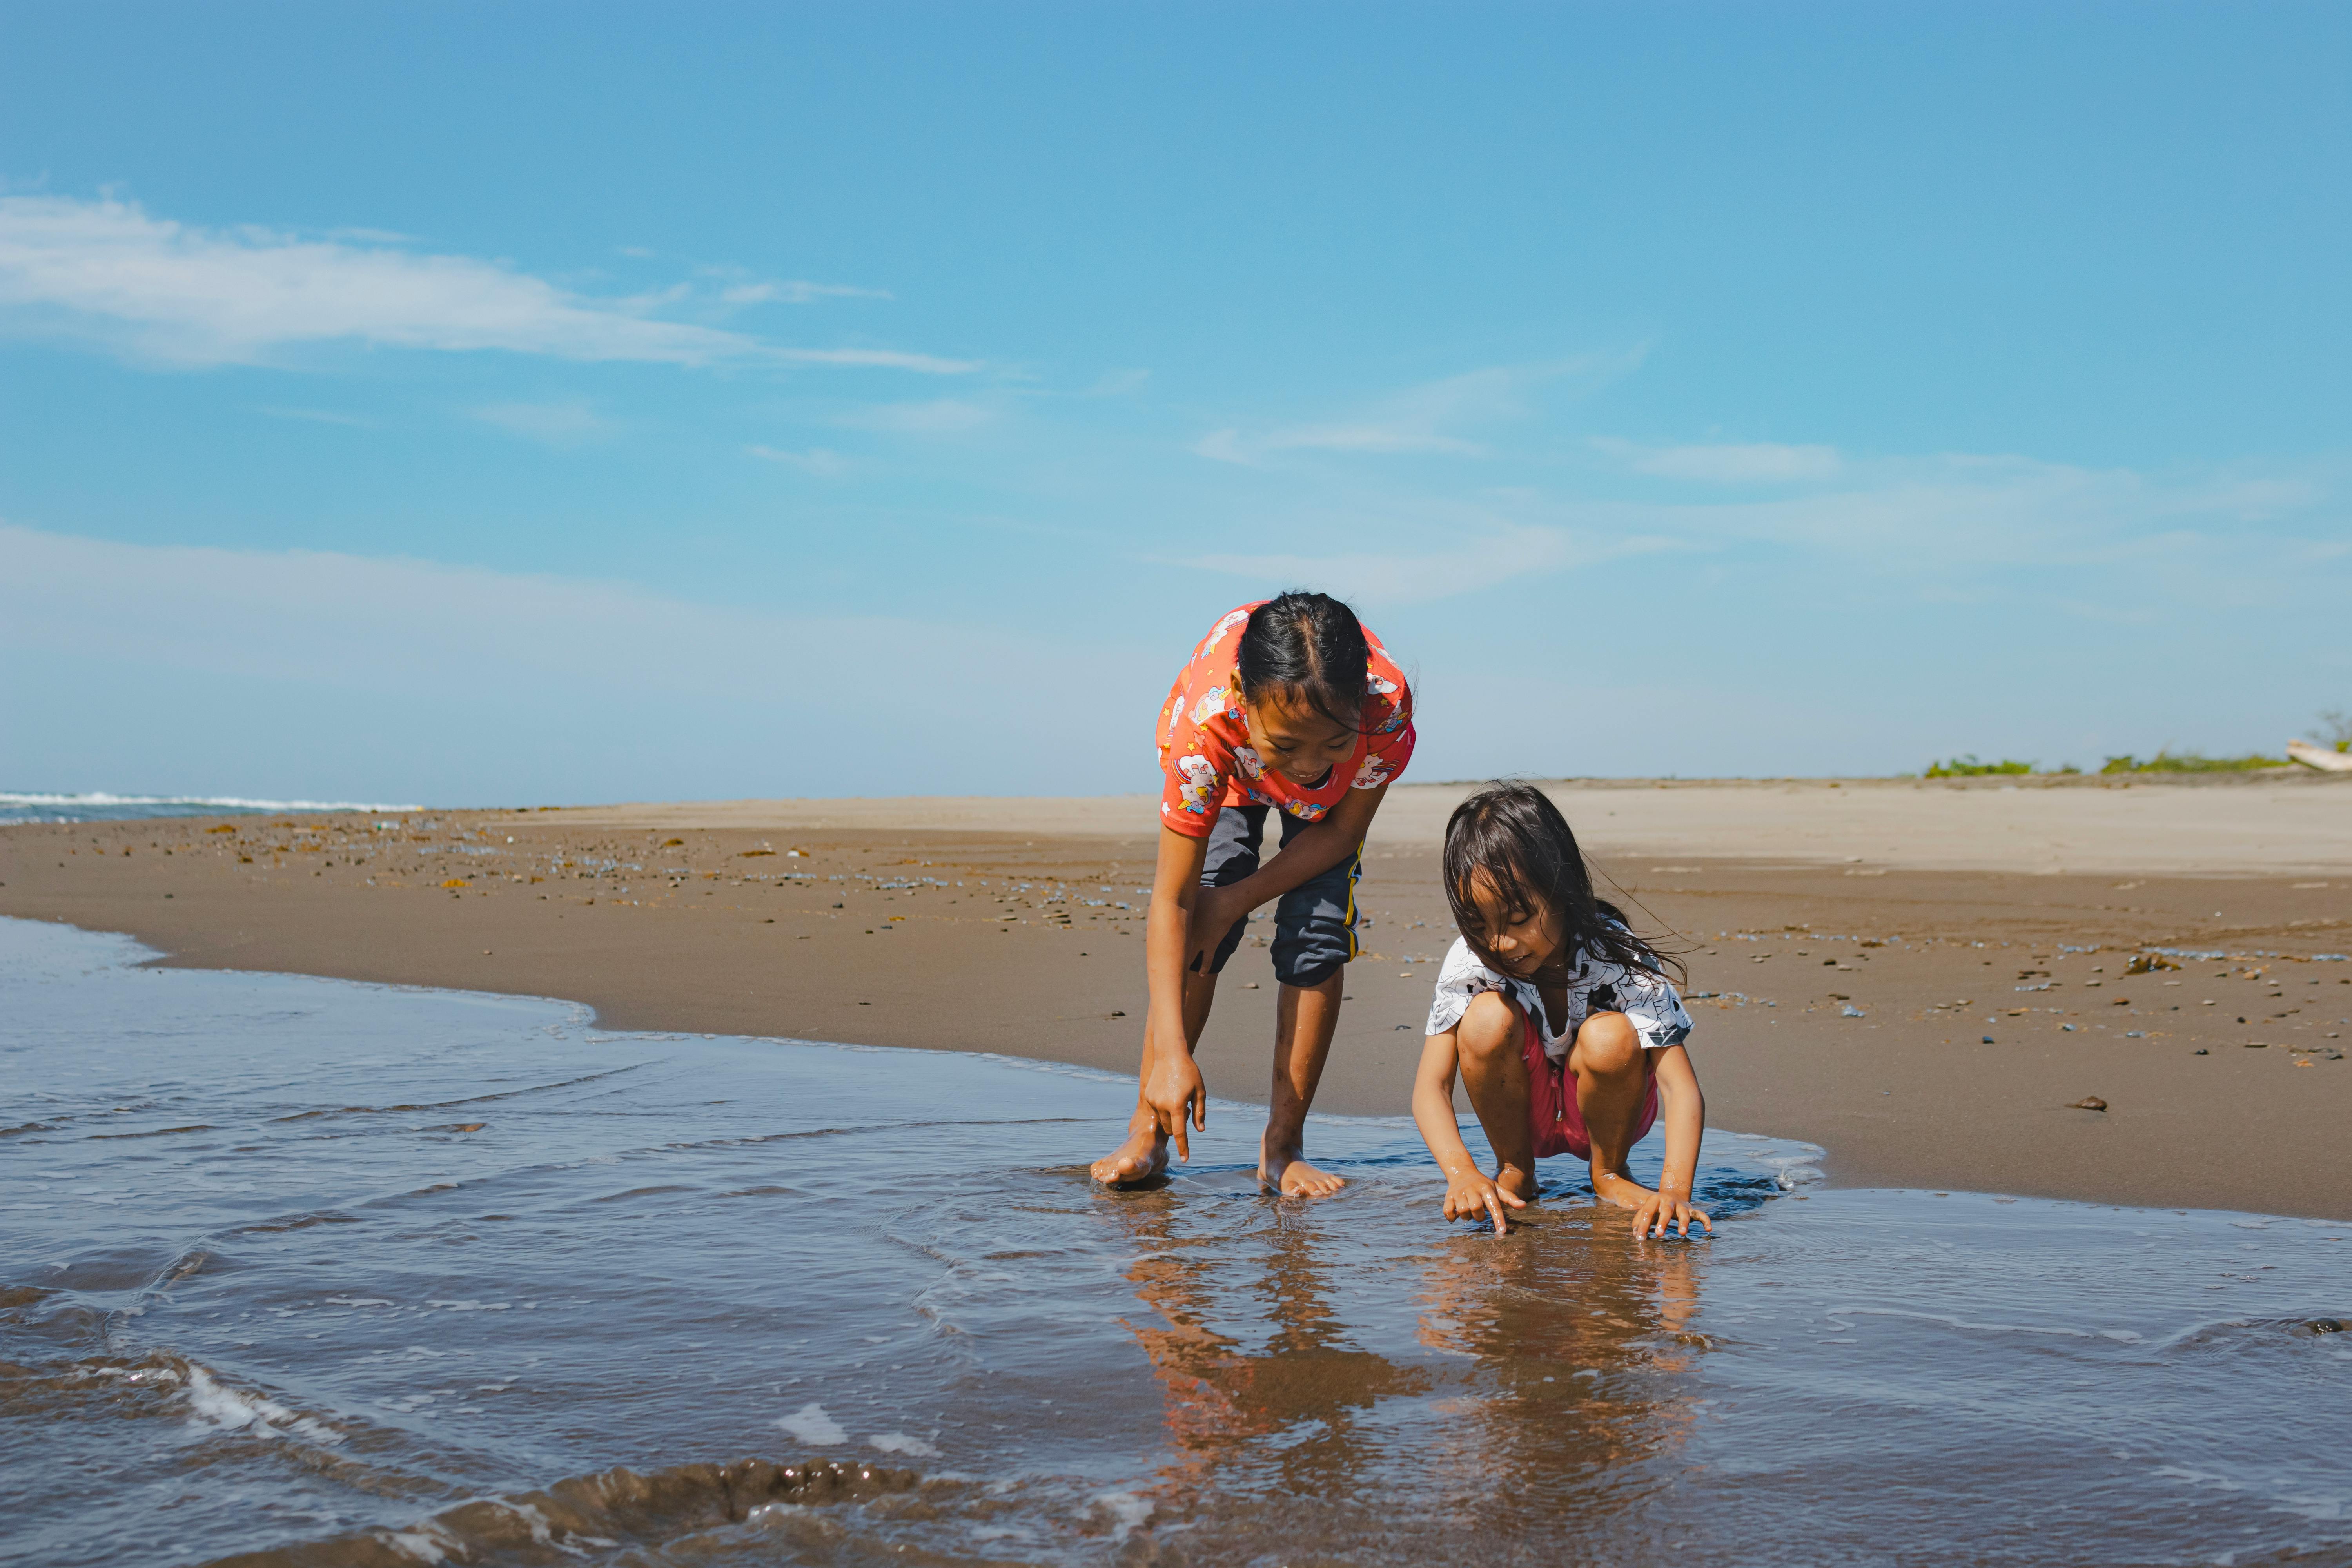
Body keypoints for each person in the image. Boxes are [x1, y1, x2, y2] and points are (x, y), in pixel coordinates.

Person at [1089, 592, 1414, 1196]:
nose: (1309, 767)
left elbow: (1342, 831)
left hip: (1331, 816)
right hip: (1233, 771)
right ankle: (1147, 1129)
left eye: (1332, 744)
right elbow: (1173, 901)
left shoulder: (1383, 711)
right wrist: (1173, 1055)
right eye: (1288, 746)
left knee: (1317, 930)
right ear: (1243, 697)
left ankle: (1283, 1147)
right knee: (1208, 898)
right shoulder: (1208, 727)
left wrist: (1237, 902)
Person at [1410, 782, 1710, 1239]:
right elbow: (1430, 1087)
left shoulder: (1616, 957)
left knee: (1609, 1036)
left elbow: (1680, 1087)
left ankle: (1609, 1174)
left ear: (1563, 892)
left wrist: (1675, 1190)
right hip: (1521, 1113)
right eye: (1477, 924)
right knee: (1487, 1017)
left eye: (1518, 920)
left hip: (1606, 1111)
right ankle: (1516, 1171)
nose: (1500, 944)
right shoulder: (1470, 962)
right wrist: (1462, 1174)